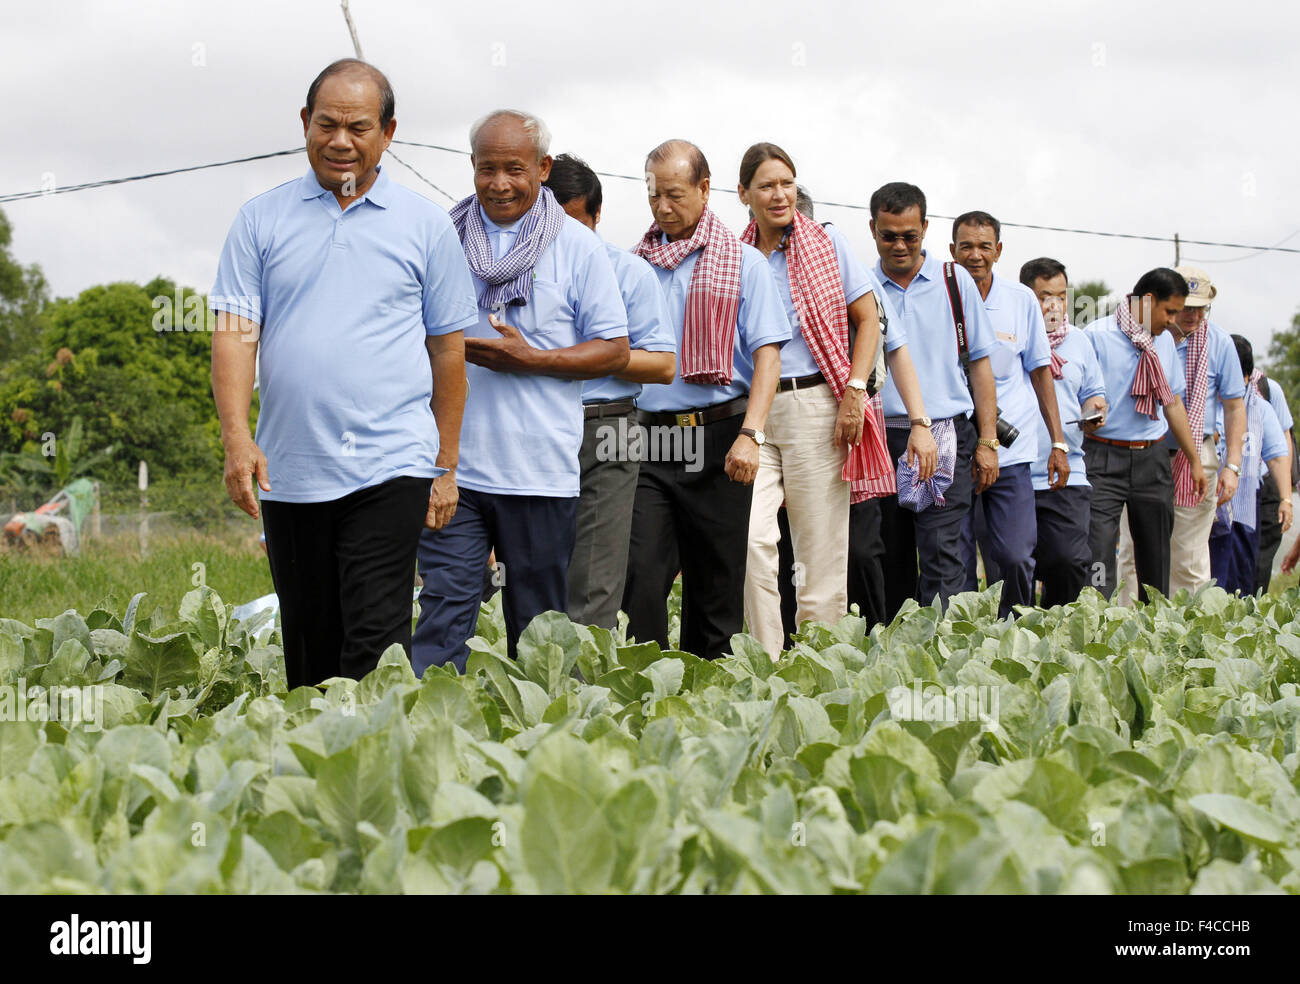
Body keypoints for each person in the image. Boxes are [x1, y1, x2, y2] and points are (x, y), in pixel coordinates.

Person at [210, 59, 479, 690]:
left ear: (388, 133)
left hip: (392, 463)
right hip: (291, 467)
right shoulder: (259, 221)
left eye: (358, 126)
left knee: (376, 639)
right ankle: (314, 779)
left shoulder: (426, 226)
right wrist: (236, 437)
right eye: (326, 124)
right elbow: (234, 335)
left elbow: (448, 352)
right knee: (309, 641)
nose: (341, 140)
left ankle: (379, 765)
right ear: (304, 124)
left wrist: (446, 464)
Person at [413, 110, 630, 674]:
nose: (500, 183)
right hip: (452, 470)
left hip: (540, 471)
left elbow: (614, 350)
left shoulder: (576, 248)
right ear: (472, 168)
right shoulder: (442, 239)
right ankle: (426, 740)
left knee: (539, 633)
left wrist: (527, 358)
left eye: (515, 168)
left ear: (543, 168)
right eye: (487, 168)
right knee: (443, 613)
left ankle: (535, 749)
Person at [735, 144, 935, 655]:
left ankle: (819, 667)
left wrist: (852, 391)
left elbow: (869, 319)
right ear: (744, 195)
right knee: (753, 543)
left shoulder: (827, 244)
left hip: (816, 407)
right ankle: (765, 661)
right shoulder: (733, 258)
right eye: (766, 185)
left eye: (786, 183)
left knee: (819, 555)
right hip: (753, 412)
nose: (779, 194)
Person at [622, 139, 789, 661]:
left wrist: (750, 435)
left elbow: (767, 357)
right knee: (641, 575)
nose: (663, 208)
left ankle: (706, 702)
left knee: (716, 586)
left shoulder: (743, 264)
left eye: (674, 194)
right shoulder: (633, 266)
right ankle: (646, 690)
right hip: (651, 438)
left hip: (721, 438)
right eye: (653, 196)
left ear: (704, 187)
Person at [541, 153, 677, 630]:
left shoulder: (630, 273)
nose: (561, 235)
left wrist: (599, 355)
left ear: (596, 216)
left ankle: (583, 695)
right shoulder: (519, 269)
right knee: (536, 568)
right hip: (537, 423)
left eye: (573, 221)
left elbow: (662, 365)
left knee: (596, 575)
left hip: (609, 426)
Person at [868, 182, 1001, 619]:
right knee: (890, 555)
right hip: (883, 437)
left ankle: (944, 653)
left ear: (925, 228)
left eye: (910, 235)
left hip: (946, 434)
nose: (901, 245)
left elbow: (980, 365)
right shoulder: (863, 286)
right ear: (873, 230)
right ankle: (892, 653)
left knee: (944, 554)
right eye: (890, 236)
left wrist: (986, 441)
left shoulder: (953, 280)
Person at [949, 212, 1069, 618]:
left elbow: (1040, 371)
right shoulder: (938, 296)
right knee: (958, 561)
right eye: (966, 246)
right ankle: (962, 640)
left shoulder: (1020, 301)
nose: (975, 255)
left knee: (1015, 555)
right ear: (952, 251)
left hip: (1010, 453)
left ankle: (1015, 631)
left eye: (985, 246)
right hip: (954, 448)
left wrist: (1057, 442)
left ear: (998, 251)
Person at [1115, 267, 1244, 601]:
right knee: (1132, 550)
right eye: (1187, 307)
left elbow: (1234, 407)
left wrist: (1232, 465)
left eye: (1201, 308)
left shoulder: (1221, 343)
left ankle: (1186, 634)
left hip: (1197, 455)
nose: (1194, 315)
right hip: (1142, 451)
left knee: (1187, 556)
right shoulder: (1144, 336)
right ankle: (1127, 627)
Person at [1084, 268, 1206, 602]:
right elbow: (1079, 396)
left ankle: (1156, 625)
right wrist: (1087, 416)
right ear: (1148, 301)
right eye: (1169, 311)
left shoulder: (1164, 342)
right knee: (1098, 550)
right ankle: (1095, 619)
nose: (1173, 320)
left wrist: (1194, 459)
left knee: (1156, 554)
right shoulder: (1097, 335)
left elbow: (1174, 402)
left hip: (1152, 460)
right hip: (1102, 457)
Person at [1019, 257, 1108, 606]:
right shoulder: (1009, 337)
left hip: (1066, 474)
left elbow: (1095, 395)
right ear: (1026, 296)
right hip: (1017, 472)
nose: (1054, 305)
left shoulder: (1080, 341)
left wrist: (1096, 412)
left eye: (1060, 295)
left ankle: (1057, 630)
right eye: (1044, 296)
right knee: (1015, 565)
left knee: (1070, 561)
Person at [1208, 335, 1292, 592]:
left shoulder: (1260, 407)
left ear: (1247, 377)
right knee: (1204, 576)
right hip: (1203, 501)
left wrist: (1286, 499)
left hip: (1244, 506)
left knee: (1241, 580)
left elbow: (1278, 455)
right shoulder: (1204, 402)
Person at [1255, 375, 1296, 592]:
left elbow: (1284, 438)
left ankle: (1251, 611)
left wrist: (1285, 496)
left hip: (1268, 481)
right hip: (1235, 485)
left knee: (1261, 562)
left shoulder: (1269, 389)